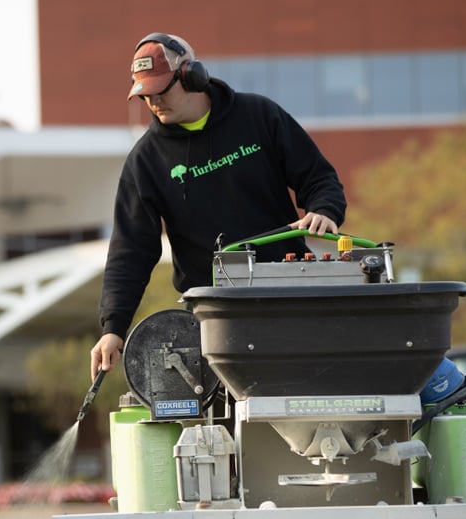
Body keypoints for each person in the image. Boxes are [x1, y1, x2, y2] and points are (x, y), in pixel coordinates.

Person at [90, 33, 347, 379]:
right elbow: (130, 251)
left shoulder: (259, 116)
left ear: (191, 76)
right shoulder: (145, 161)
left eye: (161, 90)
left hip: (289, 292)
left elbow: (318, 177)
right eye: (145, 95)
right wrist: (113, 328)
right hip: (213, 314)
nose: (154, 102)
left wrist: (324, 210)